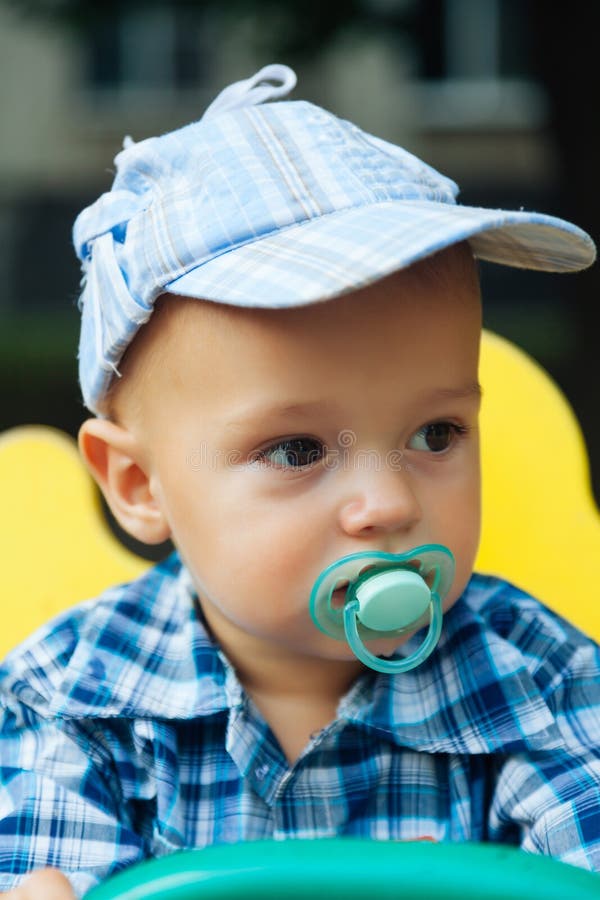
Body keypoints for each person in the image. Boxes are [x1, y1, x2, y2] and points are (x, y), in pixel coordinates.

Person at [1, 64, 599, 899]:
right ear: (140, 485)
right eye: (297, 450)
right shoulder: (67, 707)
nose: (389, 505)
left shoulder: (545, 683)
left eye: (437, 434)